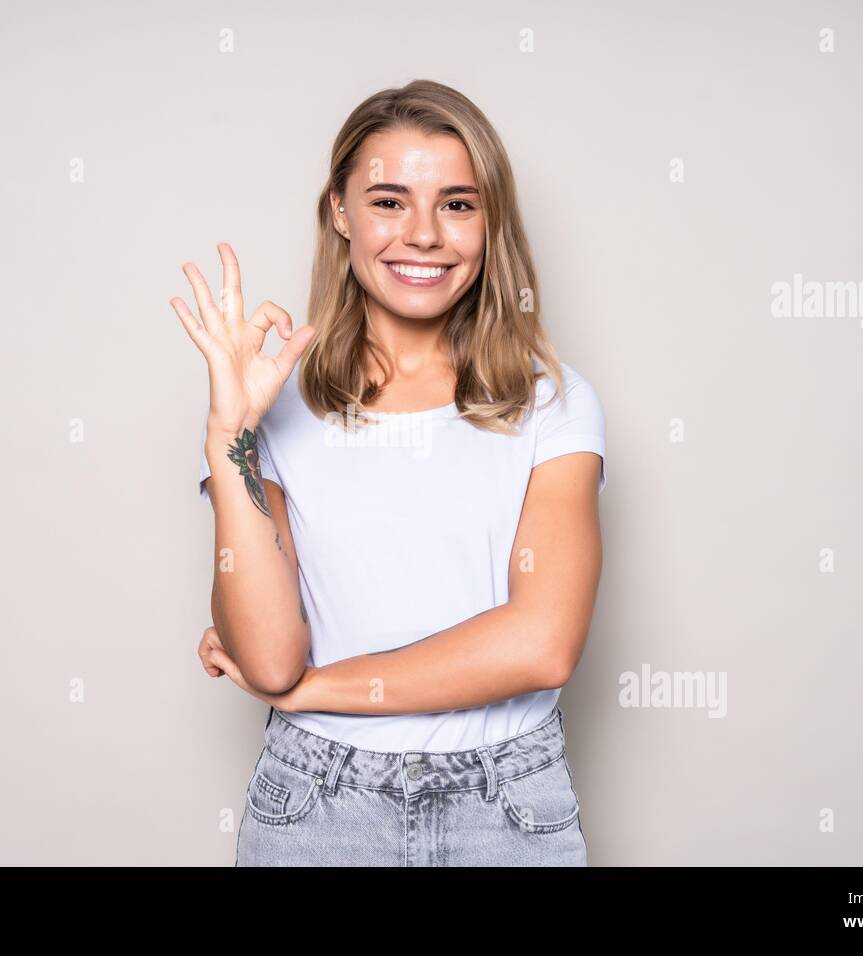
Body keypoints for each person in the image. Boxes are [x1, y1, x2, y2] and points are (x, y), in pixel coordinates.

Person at [174, 79, 606, 866]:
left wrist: (309, 691)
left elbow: (542, 645)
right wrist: (229, 434)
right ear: (339, 212)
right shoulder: (274, 409)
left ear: (489, 221)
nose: (424, 235)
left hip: (508, 804)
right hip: (316, 803)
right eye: (387, 202)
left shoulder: (553, 402)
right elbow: (268, 656)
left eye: (457, 204)